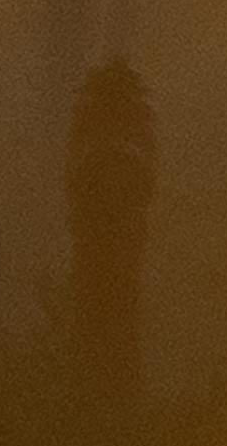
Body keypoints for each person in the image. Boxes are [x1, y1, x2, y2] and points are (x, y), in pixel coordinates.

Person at [63, 50, 158, 405]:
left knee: (113, 332)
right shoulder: (126, 135)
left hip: (115, 254)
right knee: (105, 331)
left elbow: (144, 191)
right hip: (103, 253)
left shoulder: (99, 136)